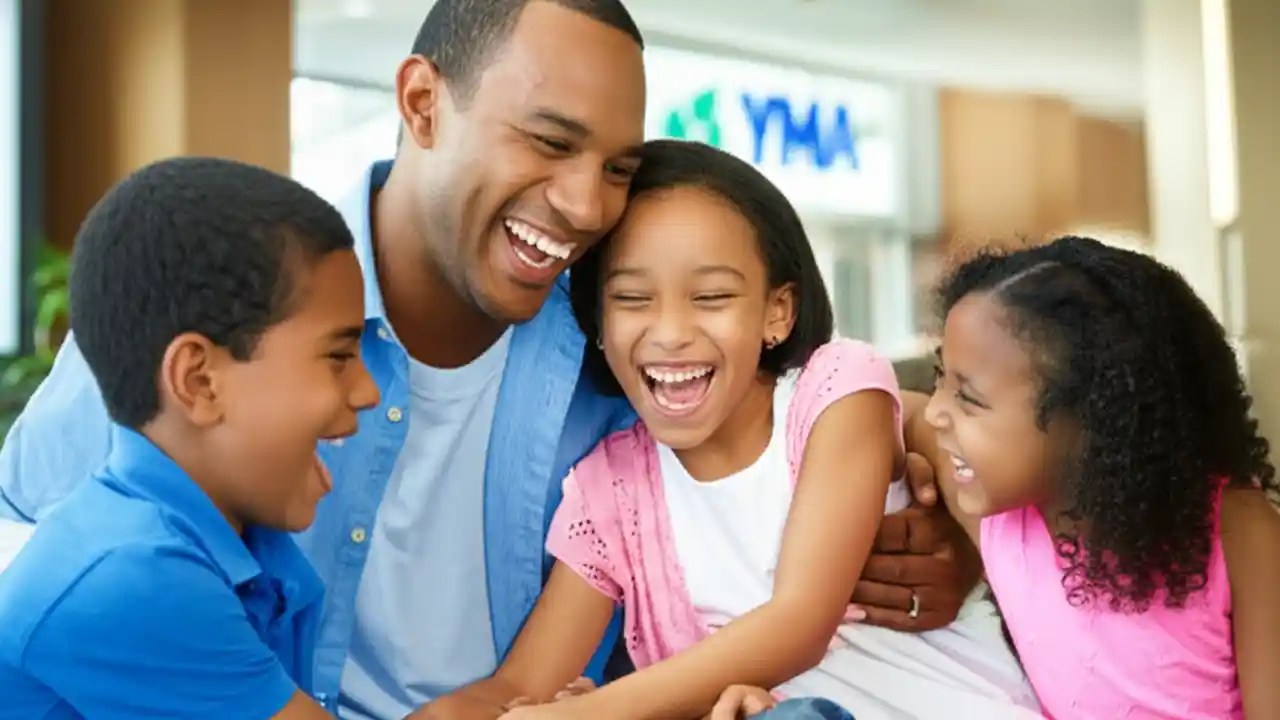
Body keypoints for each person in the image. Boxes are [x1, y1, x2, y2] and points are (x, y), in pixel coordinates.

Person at [0, 2, 977, 718]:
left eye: (616, 169)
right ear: (422, 103)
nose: (587, 206)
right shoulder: (210, 312)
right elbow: (34, 557)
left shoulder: (621, 345)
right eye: (545, 143)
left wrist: (942, 524)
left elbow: (849, 419)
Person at [419, 141, 1038, 720]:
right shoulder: (611, 491)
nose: (669, 332)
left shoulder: (836, 394)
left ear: (777, 312)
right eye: (633, 299)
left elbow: (798, 624)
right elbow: (517, 687)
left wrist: (588, 714)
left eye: (711, 297)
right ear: (598, 324)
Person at [0, 157, 380, 718]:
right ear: (199, 381)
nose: (368, 391)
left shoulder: (242, 545)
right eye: (339, 356)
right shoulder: (133, 576)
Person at [920, 236, 1280, 718]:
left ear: (1091, 422)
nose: (936, 413)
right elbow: (895, 411)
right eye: (939, 377)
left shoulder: (1240, 533)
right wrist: (913, 469)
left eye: (968, 397)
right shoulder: (1003, 521)